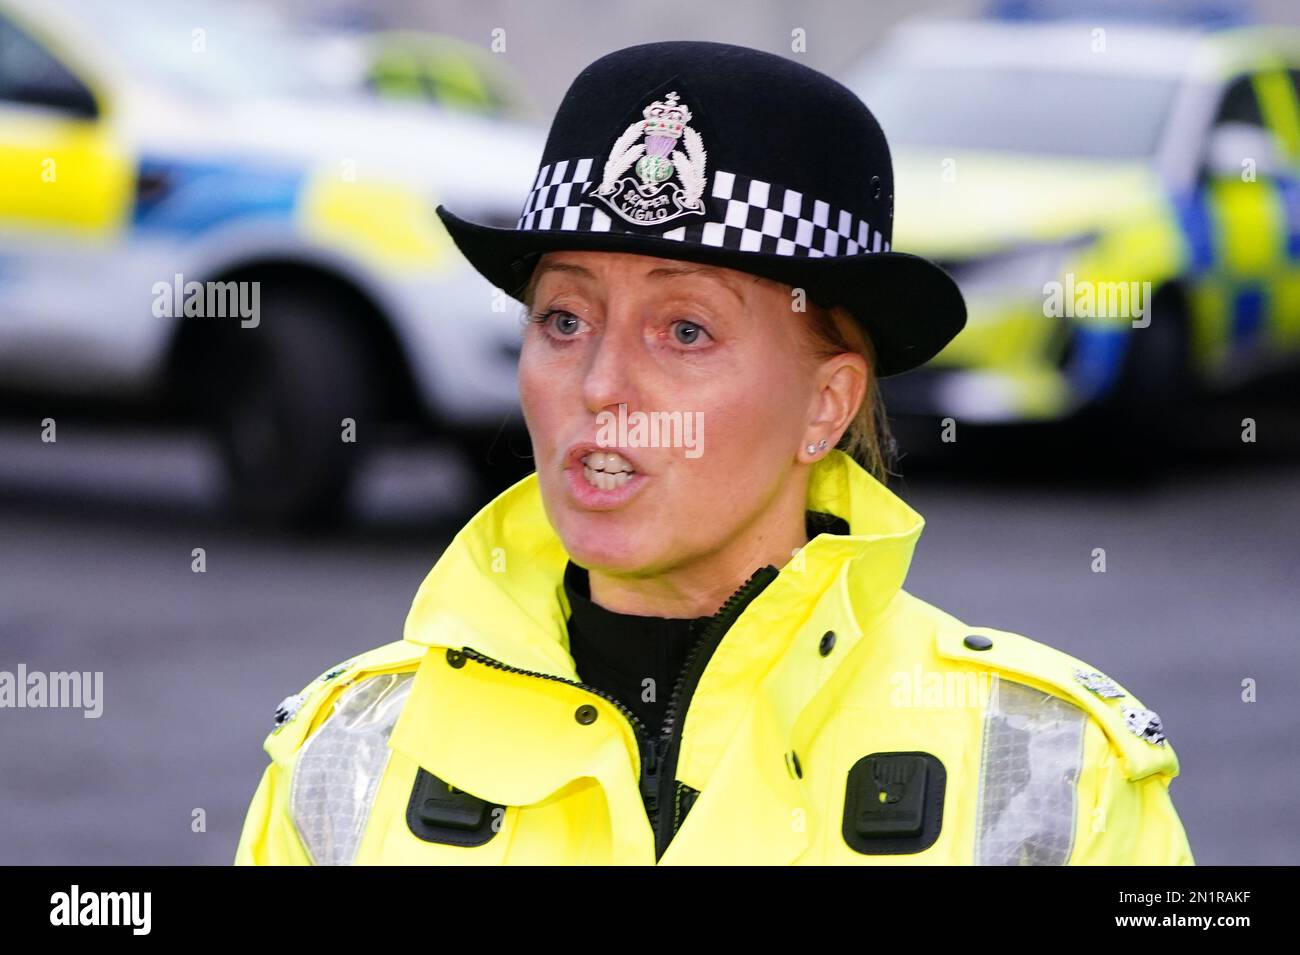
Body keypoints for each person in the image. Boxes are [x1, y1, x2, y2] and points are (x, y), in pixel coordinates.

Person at [235, 41, 1193, 865]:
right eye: (563, 318)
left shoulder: (1058, 773)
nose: (600, 385)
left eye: (684, 331)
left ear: (828, 403)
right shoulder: (343, 756)